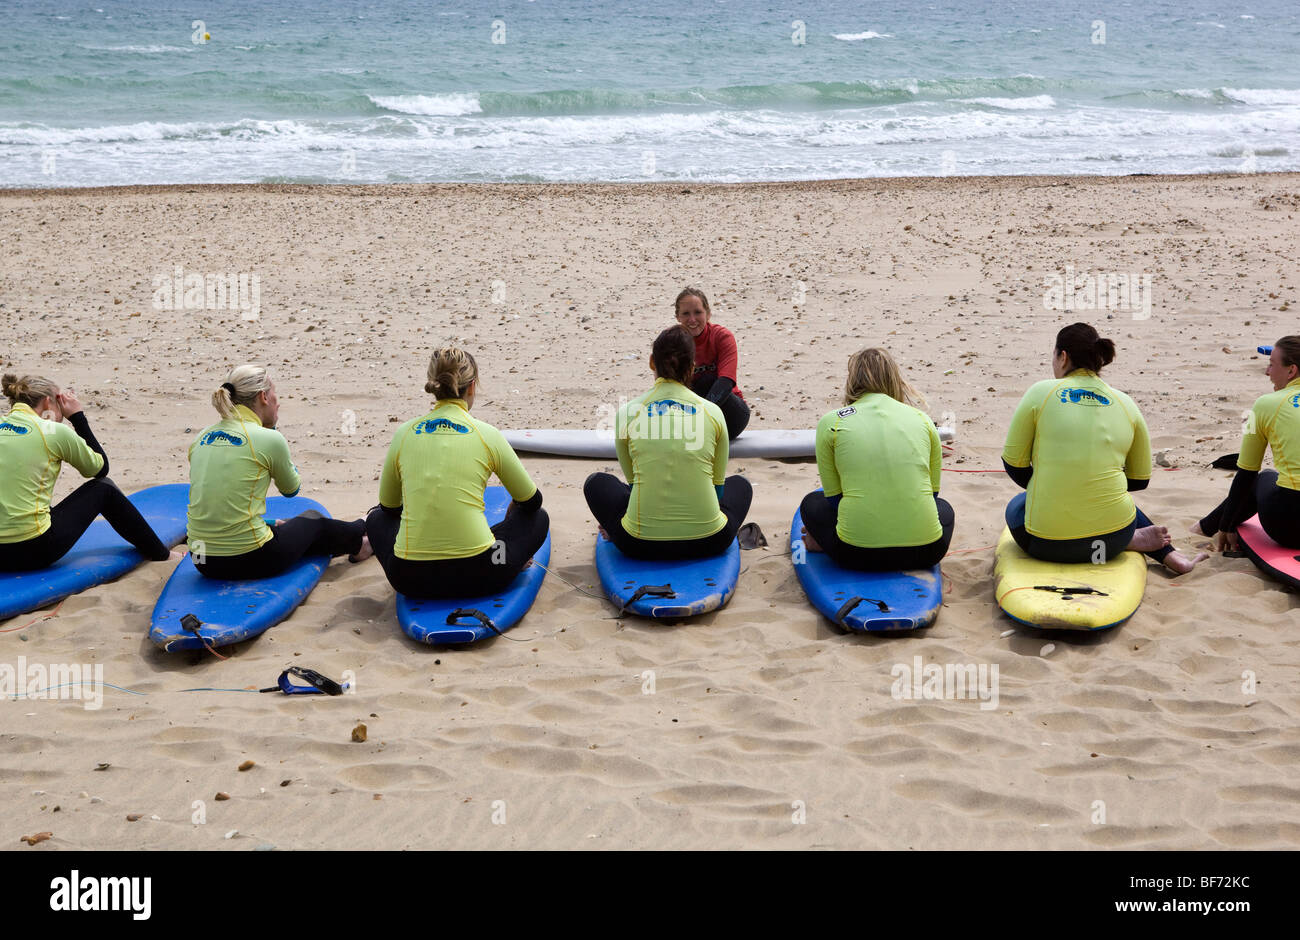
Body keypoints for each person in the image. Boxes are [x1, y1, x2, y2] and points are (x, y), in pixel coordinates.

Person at [1001, 323, 1205, 574]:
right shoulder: (1126, 403)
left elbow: (1013, 465)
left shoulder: (1040, 392)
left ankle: (1124, 537)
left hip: (1045, 544)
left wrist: (1054, 488)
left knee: (1016, 507)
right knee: (1109, 491)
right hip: (1113, 539)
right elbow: (1139, 481)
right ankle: (1166, 554)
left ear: (1063, 357)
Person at [367, 346, 549, 599]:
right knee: (538, 518)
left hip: (409, 579)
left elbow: (388, 509)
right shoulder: (487, 434)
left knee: (375, 518)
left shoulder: (404, 433)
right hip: (484, 573)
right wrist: (511, 518)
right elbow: (532, 502)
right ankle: (512, 559)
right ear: (472, 386)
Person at [584, 325, 752, 559]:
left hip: (638, 544)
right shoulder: (713, 412)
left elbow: (633, 487)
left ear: (652, 362)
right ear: (692, 367)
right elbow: (718, 491)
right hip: (710, 541)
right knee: (741, 485)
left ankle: (614, 531)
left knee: (596, 483)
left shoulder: (627, 413)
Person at [186, 365, 370, 580]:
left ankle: (357, 536)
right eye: (275, 394)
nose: (278, 401)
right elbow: (292, 489)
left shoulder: (202, 436)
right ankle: (363, 533)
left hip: (201, 560)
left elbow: (222, 498)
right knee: (312, 520)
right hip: (251, 558)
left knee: (286, 527)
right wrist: (272, 432)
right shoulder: (267, 438)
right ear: (264, 397)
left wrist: (269, 524)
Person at [0, 373, 175, 571]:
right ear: (48, 402)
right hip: (32, 550)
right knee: (104, 489)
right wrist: (76, 417)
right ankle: (162, 555)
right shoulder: (52, 432)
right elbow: (100, 469)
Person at [799, 348, 954, 569]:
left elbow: (834, 500)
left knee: (812, 503)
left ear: (852, 381)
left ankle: (820, 544)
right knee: (943, 507)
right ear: (894, 379)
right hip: (927, 552)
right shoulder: (923, 419)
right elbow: (933, 493)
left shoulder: (831, 422)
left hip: (854, 554)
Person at [1195, 337, 1300, 550]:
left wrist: (1226, 525)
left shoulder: (1264, 404)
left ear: (1292, 371)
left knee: (1263, 477)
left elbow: (1246, 472)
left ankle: (1203, 528)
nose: (1267, 372)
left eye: (1271, 364)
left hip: (1290, 528)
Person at [674, 287, 751, 439]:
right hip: (690, 414)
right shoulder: (672, 341)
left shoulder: (721, 336)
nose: (692, 320)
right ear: (677, 317)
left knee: (707, 381)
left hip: (730, 414)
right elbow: (665, 385)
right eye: (685, 314)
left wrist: (701, 418)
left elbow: (726, 382)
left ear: (708, 314)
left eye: (697, 312)